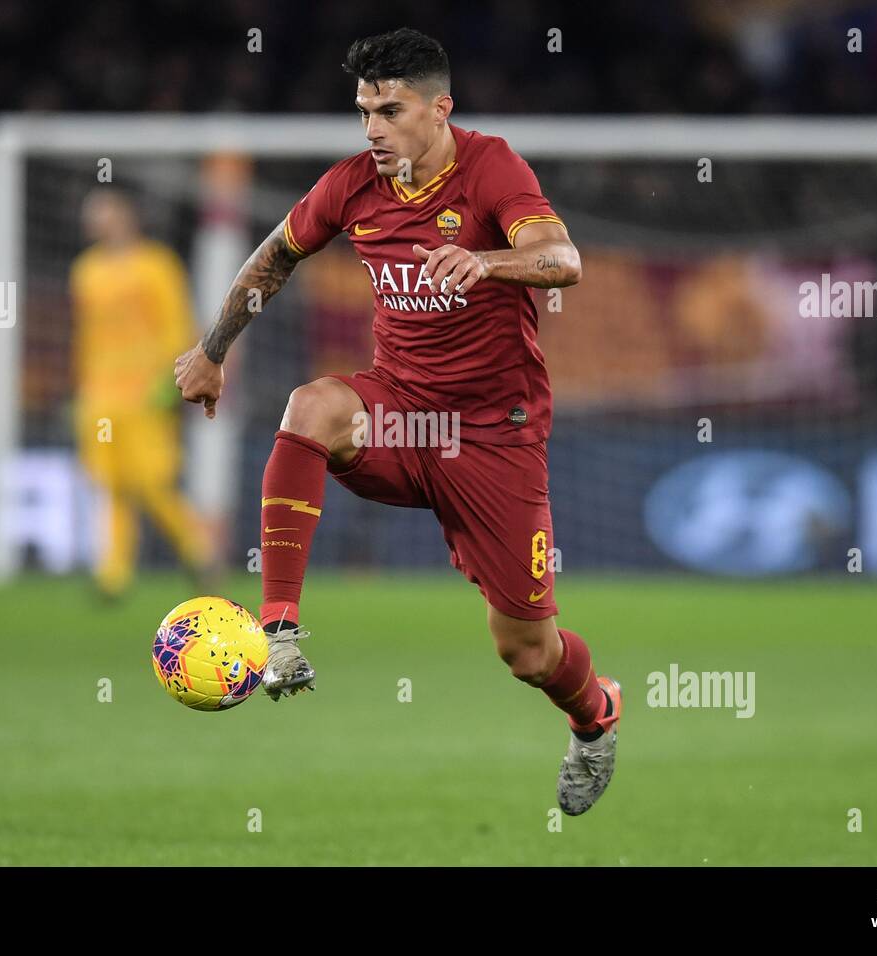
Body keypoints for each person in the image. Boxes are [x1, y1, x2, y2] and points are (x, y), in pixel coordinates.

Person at [174, 29, 621, 816]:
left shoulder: (491, 168)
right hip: (401, 416)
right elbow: (273, 257)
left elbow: (565, 260)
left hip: (493, 438)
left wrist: (486, 261)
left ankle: (595, 716)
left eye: (391, 109)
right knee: (311, 405)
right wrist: (213, 352)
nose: (373, 129)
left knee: (526, 651)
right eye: (363, 112)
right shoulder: (352, 185)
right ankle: (277, 631)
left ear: (439, 109)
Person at [71, 188, 215, 597]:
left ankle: (198, 551)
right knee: (111, 484)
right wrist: (80, 388)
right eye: (92, 214)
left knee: (152, 482)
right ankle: (113, 576)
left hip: (145, 393)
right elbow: (86, 336)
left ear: (127, 215)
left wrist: (171, 383)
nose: (97, 220)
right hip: (100, 396)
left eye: (104, 211)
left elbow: (177, 325)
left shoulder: (157, 265)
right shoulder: (86, 272)